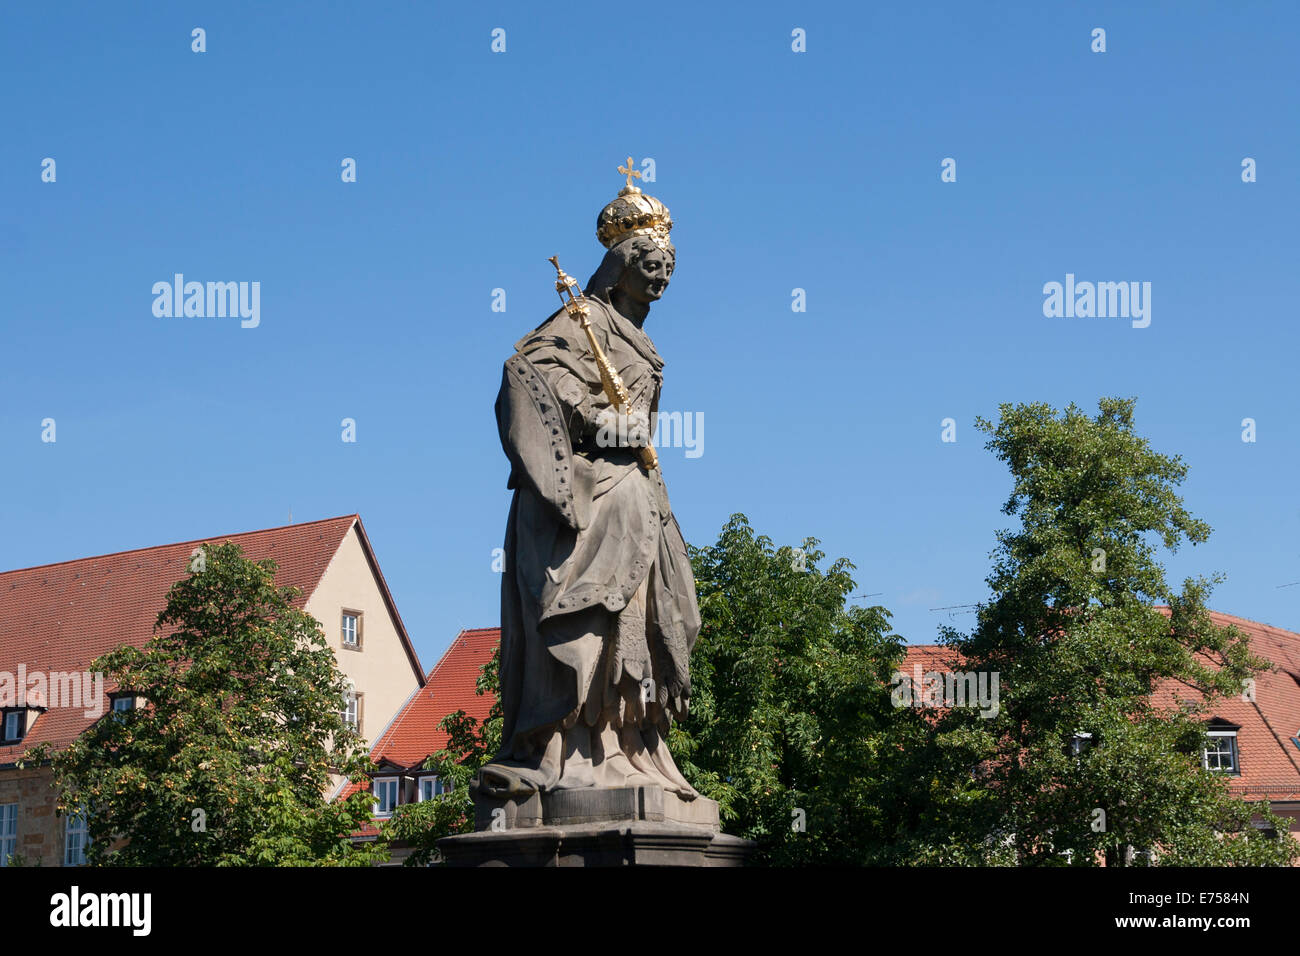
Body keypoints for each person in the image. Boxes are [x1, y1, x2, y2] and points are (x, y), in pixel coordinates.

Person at [478, 170, 701, 800]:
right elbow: (529, 374)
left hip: (637, 496)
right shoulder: (580, 320)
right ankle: (577, 751)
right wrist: (604, 421)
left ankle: (631, 749)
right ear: (620, 263)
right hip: (586, 502)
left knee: (671, 615)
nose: (661, 276)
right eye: (651, 264)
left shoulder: (638, 336)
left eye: (669, 267)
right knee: (591, 620)